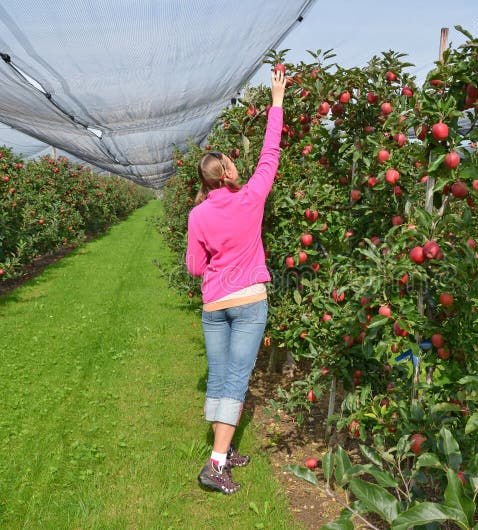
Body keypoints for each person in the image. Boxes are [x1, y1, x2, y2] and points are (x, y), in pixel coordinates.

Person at [185, 68, 286, 494]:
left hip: (213, 305)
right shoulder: (251, 197)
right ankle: (215, 465)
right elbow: (270, 154)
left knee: (219, 375)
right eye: (231, 163)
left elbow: (194, 267)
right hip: (247, 302)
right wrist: (276, 103)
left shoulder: (198, 214)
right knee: (236, 380)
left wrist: (214, 260)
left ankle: (222, 448)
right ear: (226, 173)